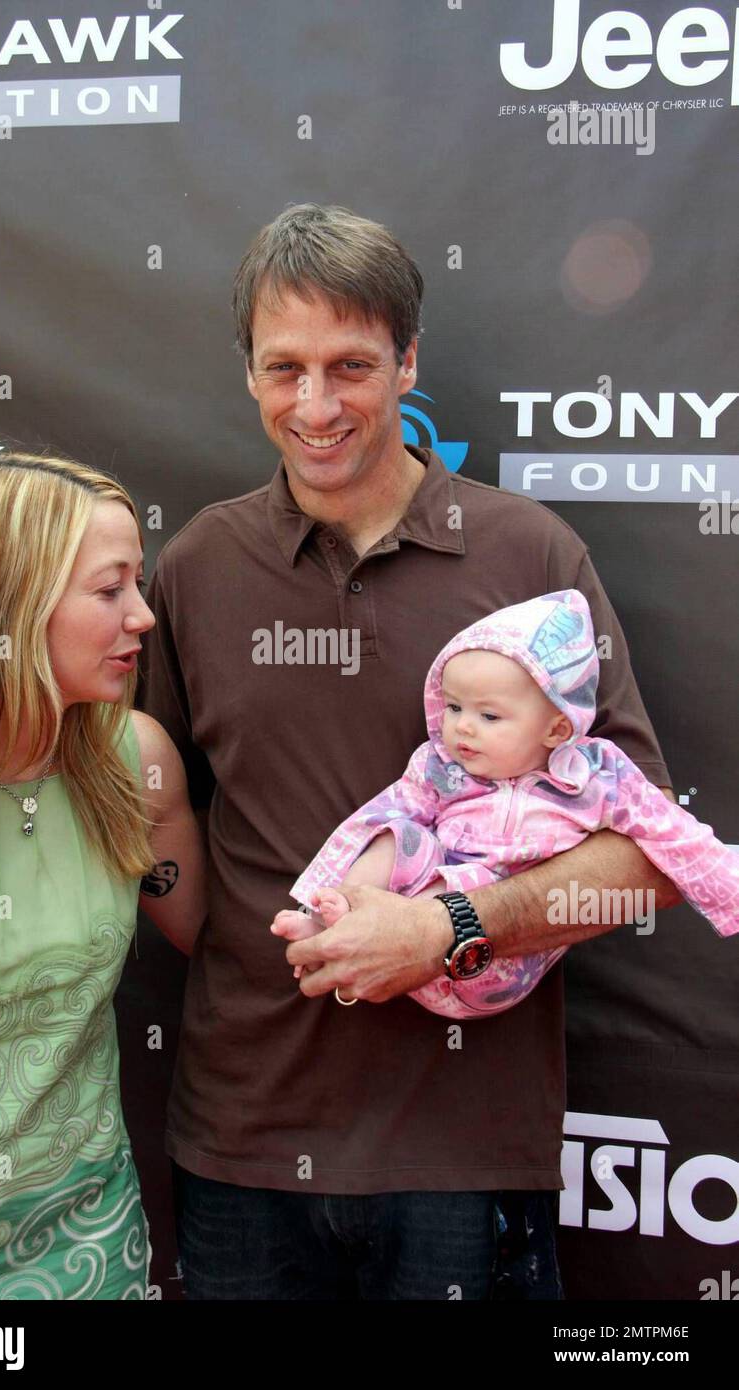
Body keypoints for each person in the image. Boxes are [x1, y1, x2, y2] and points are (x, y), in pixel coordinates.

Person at [136, 203, 680, 1301]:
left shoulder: (529, 553)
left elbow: (650, 856)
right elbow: (163, 823)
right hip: (242, 1150)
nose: (316, 405)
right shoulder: (199, 565)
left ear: (408, 360)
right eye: (283, 368)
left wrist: (446, 926)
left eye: (351, 365)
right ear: (246, 370)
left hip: (462, 1157)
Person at [0, 451, 206, 1300]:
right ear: (7, 604)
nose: (143, 616)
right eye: (109, 589)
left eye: (140, 583)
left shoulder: (136, 766)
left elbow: (226, 942)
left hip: (84, 1248)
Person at [273, 587, 737, 1018]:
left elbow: (671, 830)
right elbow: (373, 818)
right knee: (397, 832)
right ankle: (330, 917)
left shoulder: (597, 776)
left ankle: (386, 931)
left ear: (557, 728)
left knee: (473, 884)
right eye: (453, 708)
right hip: (404, 933)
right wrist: (323, 882)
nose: (463, 728)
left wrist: (729, 891)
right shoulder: (440, 766)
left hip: (496, 965)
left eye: (488, 715)